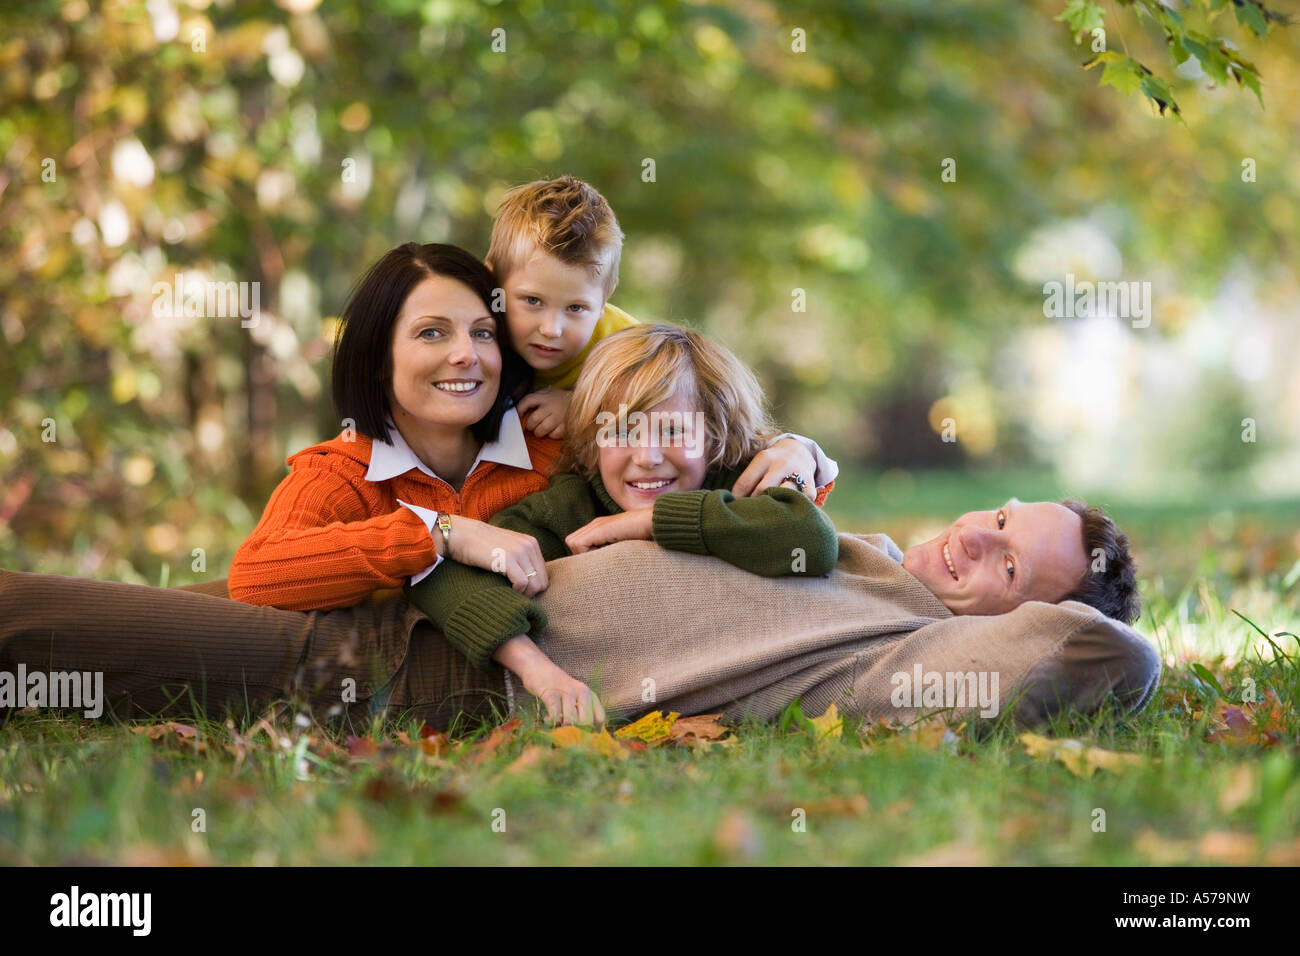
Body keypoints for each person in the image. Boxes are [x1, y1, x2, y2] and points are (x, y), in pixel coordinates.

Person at [0, 494, 1155, 732]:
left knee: (29, 624)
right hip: (413, 587)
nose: (978, 538)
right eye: (999, 512)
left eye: (1009, 561)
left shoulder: (905, 649)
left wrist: (1105, 595)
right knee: (104, 617)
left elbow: (1088, 646)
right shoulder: (864, 555)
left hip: (413, 667)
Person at [403, 323, 839, 726]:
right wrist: (539, 672)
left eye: (672, 432)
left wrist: (648, 522)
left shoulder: (735, 481)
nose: (647, 456)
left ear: (714, 435)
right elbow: (441, 574)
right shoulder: (567, 508)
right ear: (592, 441)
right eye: (623, 432)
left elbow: (811, 539)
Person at [482, 175, 837, 502]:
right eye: (532, 301)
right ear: (493, 280)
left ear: (605, 300)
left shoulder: (625, 344)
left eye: (576, 308)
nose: (551, 329)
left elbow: (721, 423)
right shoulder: (471, 336)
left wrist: (580, 408)